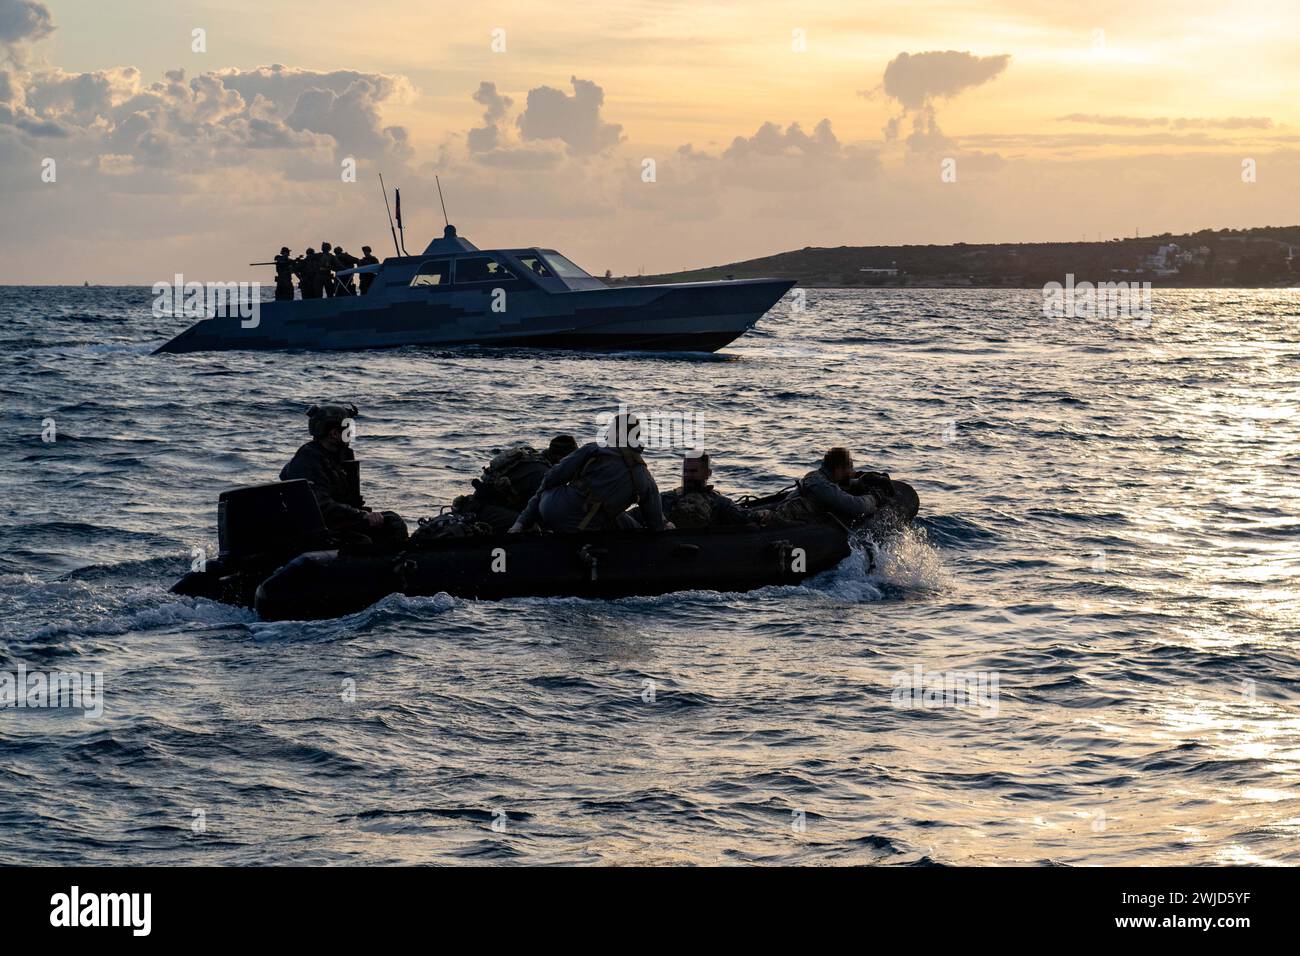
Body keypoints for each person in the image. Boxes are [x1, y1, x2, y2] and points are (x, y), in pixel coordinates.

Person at [509, 415, 669, 533]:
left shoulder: (593, 449)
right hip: (587, 527)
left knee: (548, 486)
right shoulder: (645, 477)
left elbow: (551, 478)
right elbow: (655, 523)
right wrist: (664, 526)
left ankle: (518, 527)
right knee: (622, 520)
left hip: (551, 512)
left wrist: (522, 520)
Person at [279, 403, 408, 547]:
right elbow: (321, 505)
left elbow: (349, 499)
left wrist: (360, 514)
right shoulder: (308, 460)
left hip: (340, 519)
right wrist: (361, 515)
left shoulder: (339, 456)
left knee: (392, 522)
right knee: (366, 540)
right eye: (348, 430)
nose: (351, 435)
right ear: (334, 434)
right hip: (321, 527)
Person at [453, 434, 578, 533]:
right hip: (486, 510)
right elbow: (542, 510)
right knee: (532, 529)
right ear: (560, 458)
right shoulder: (542, 472)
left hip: (482, 505)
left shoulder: (533, 459)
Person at [770, 447, 884, 524]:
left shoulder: (816, 477)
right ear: (839, 469)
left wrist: (860, 481)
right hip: (784, 520)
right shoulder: (823, 487)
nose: (852, 473)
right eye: (850, 468)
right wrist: (874, 498)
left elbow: (842, 485)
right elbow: (856, 507)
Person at [658, 453, 762, 528]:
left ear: (707, 473)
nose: (688, 475)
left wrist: (765, 514)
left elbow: (746, 517)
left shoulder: (720, 504)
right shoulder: (666, 499)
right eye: (686, 471)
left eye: (693, 471)